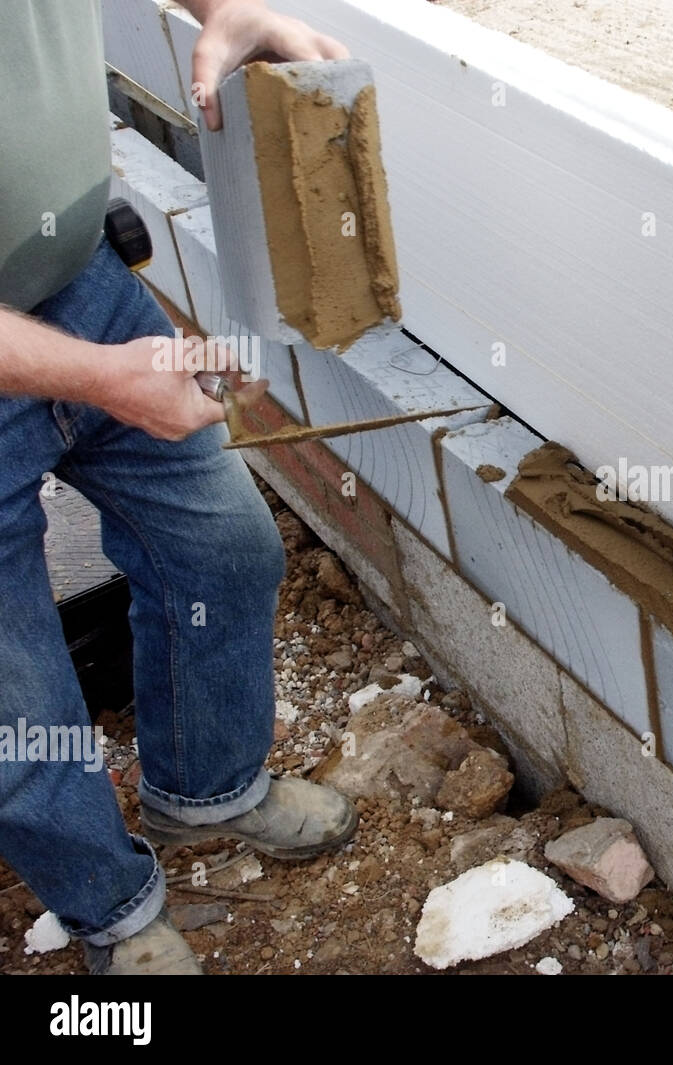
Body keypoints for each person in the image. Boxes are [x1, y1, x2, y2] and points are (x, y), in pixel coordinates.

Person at [0, 0, 359, 975]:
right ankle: (111, 910)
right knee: (16, 694)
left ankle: (207, 793)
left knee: (220, 547)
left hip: (75, 281)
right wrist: (101, 379)